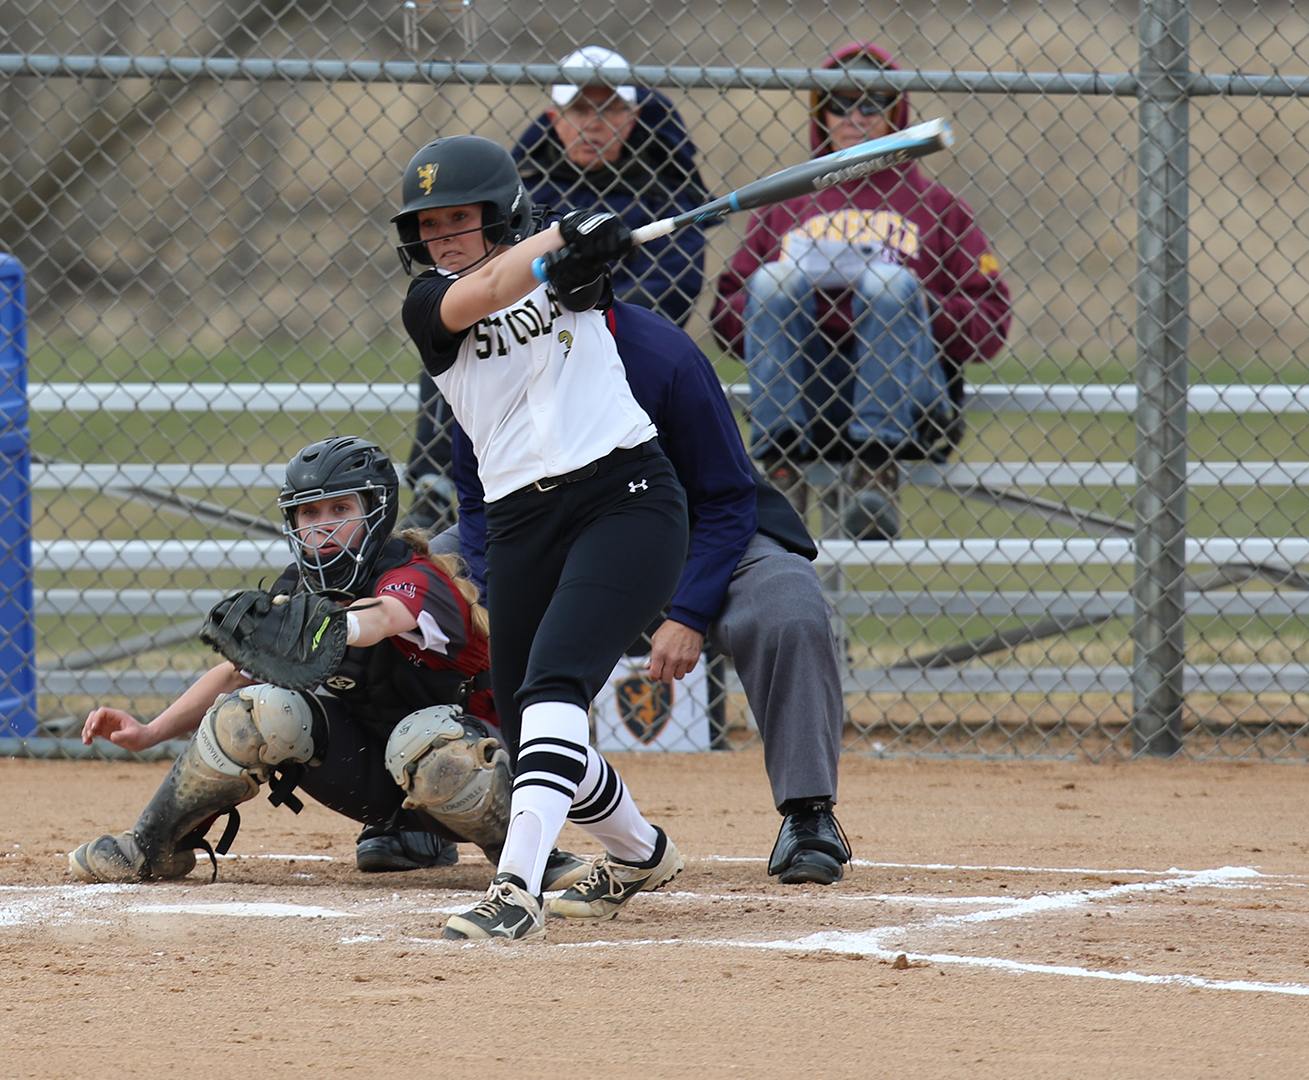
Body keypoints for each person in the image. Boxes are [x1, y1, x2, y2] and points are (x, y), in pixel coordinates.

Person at [64, 437, 588, 893]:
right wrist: (148, 732)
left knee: (426, 739)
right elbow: (234, 675)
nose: (323, 527)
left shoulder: (414, 576)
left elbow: (385, 616)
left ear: (376, 511)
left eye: (340, 509)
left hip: (478, 771)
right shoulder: (300, 588)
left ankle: (528, 859)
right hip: (380, 777)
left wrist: (327, 624)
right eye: (309, 514)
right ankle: (151, 846)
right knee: (253, 710)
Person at [395, 132, 690, 940]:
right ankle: (641, 852)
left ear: (502, 215)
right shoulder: (428, 304)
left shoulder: (564, 276)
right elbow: (491, 287)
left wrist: (588, 248)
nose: (443, 235)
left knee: (556, 685)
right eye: (430, 223)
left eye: (461, 218)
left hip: (625, 496)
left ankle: (514, 890)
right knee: (533, 726)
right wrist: (564, 235)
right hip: (520, 521)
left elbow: (574, 277)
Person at [448, 301, 855, 884]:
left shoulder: (660, 355)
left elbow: (726, 498)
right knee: (433, 575)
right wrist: (496, 594)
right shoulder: (491, 353)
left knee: (786, 601)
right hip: (544, 540)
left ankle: (808, 812)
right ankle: (417, 815)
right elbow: (475, 498)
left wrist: (689, 614)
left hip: (688, 537)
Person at [396, 45, 715, 535]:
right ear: (554, 117)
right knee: (462, 342)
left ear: (632, 117)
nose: (594, 124)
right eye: (580, 109)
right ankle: (437, 485)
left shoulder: (668, 191)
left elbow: (672, 288)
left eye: (609, 109)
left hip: (617, 334)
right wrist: (564, 251)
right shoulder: (524, 191)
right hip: (520, 334)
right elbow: (495, 276)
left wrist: (589, 285)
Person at [712, 40, 1012, 541]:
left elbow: (991, 326)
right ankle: (781, 468)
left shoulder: (938, 205)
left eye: (872, 102)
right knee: (773, 279)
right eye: (839, 101)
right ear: (820, 111)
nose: (855, 115)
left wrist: (916, 303)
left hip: (909, 391)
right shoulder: (785, 203)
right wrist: (800, 289)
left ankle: (876, 471)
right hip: (805, 385)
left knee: (888, 282)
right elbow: (725, 318)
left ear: (897, 111)